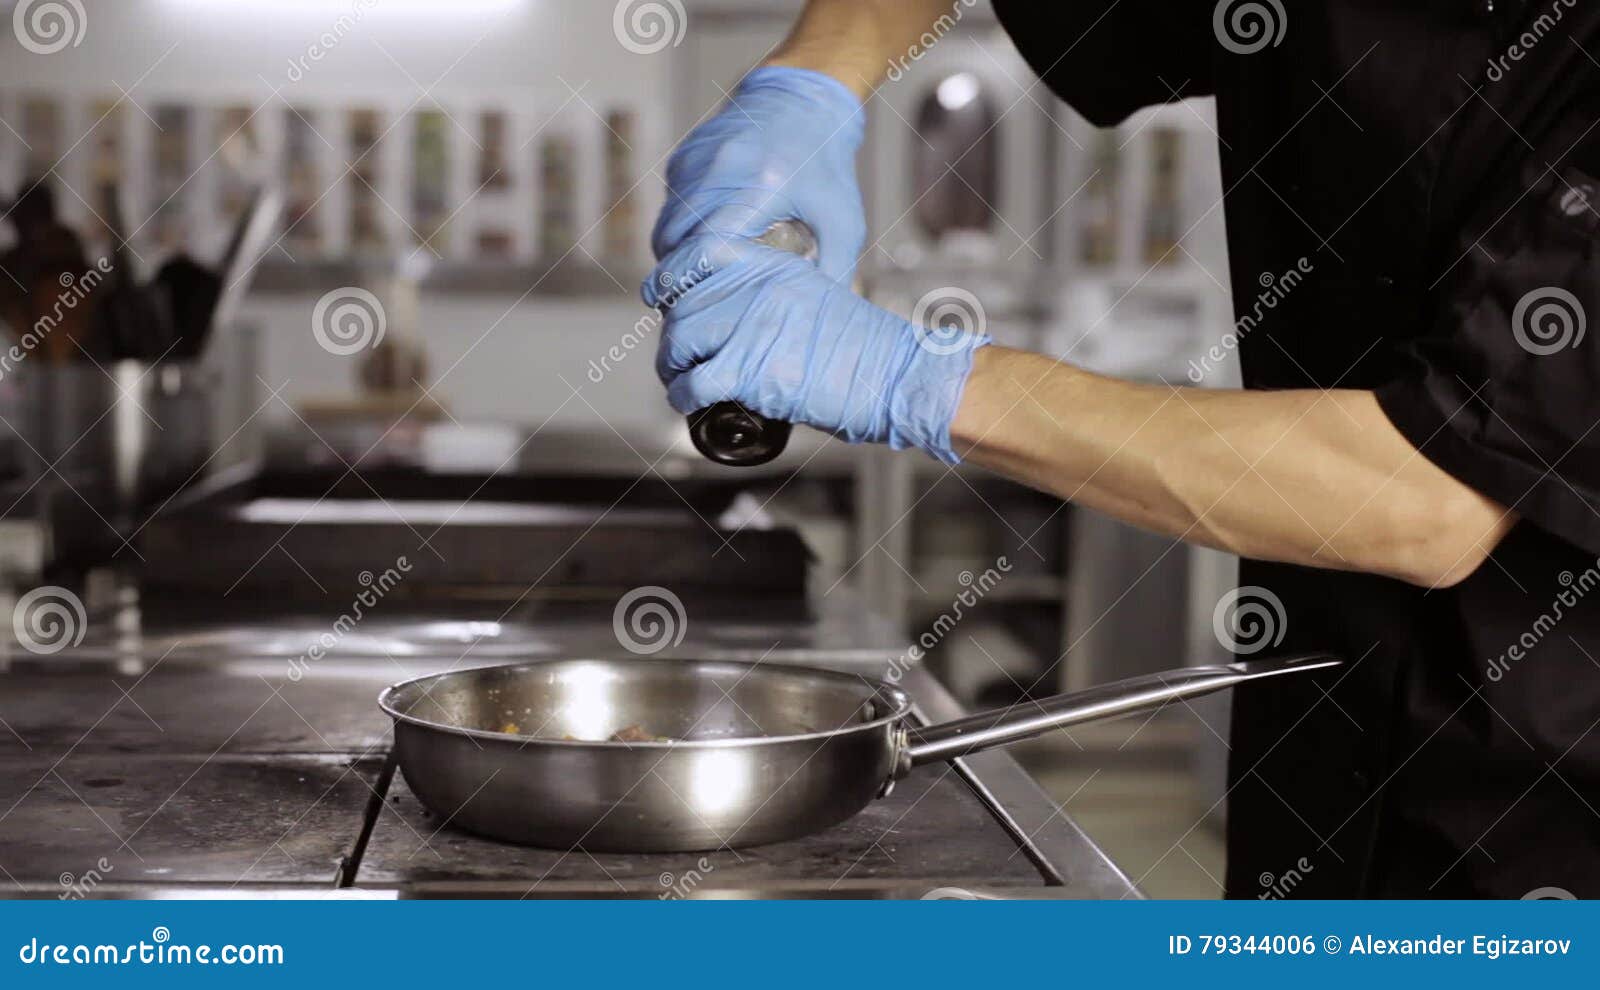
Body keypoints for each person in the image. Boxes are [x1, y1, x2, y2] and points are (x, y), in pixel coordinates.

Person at [644, 0, 1600, 898]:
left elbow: (1429, 494)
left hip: (1536, 822)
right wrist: (812, 80)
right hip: (1315, 738)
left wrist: (910, 377)